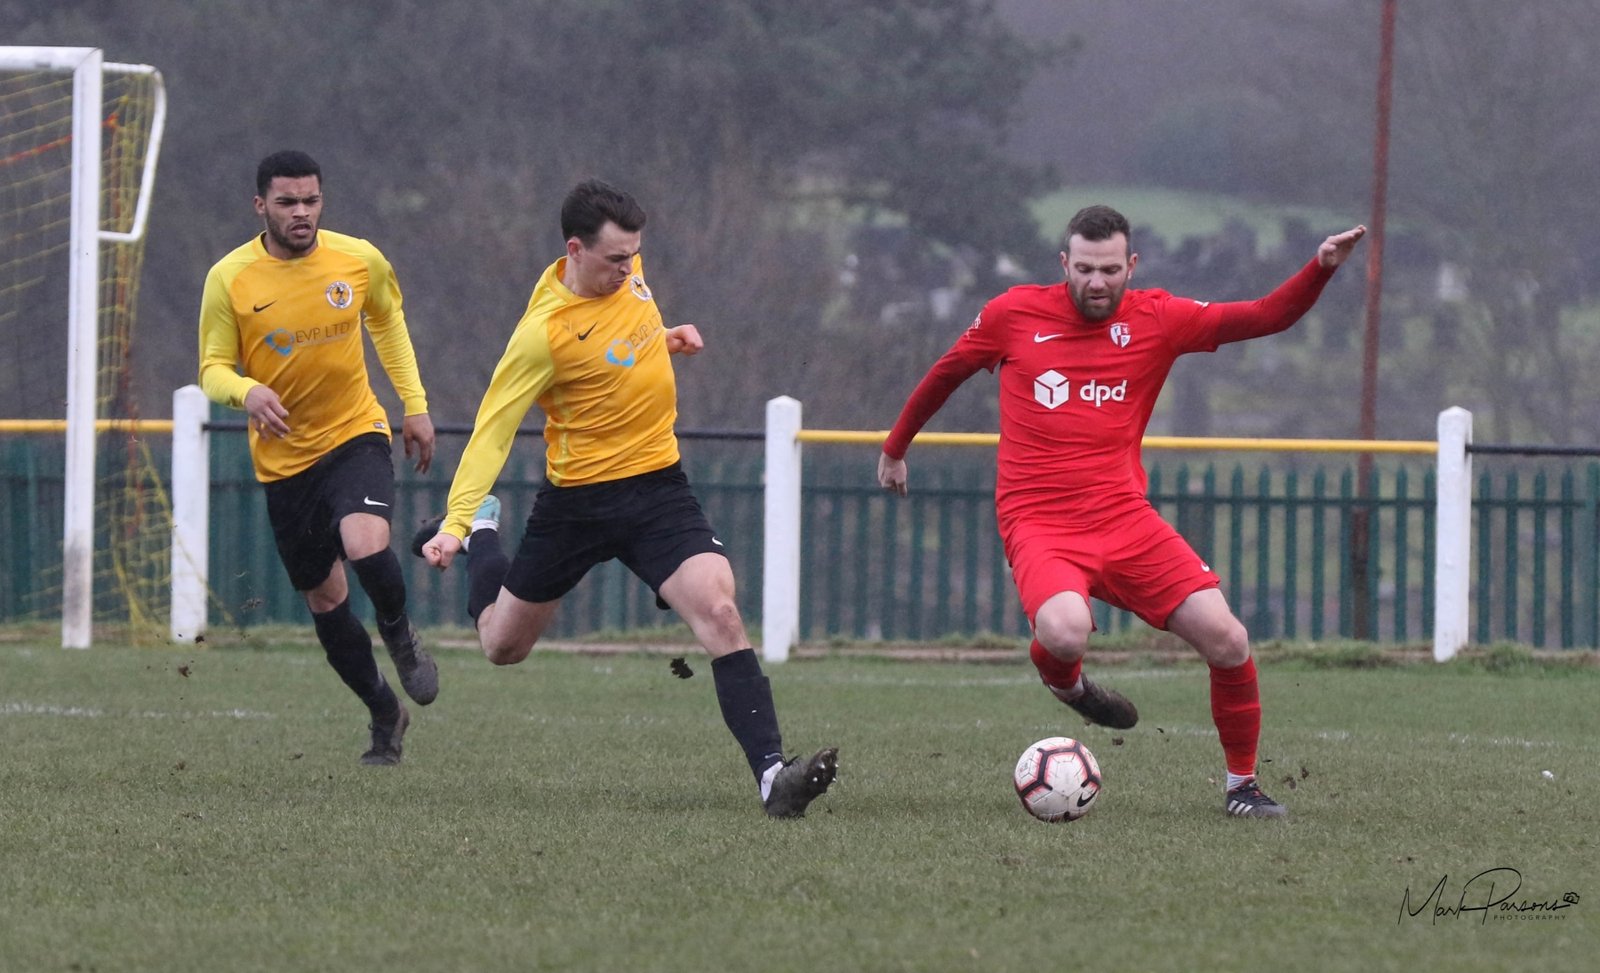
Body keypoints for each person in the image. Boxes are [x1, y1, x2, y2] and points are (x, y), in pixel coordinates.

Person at [878, 205, 1366, 819]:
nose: (1097, 282)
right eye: (1084, 269)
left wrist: (1319, 268)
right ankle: (1068, 684)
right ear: (1065, 264)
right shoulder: (1013, 314)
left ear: (1130, 265)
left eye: (1110, 270)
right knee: (1063, 630)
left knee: (1229, 639)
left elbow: (1265, 315)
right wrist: (896, 448)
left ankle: (1242, 788)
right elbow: (946, 373)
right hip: (1040, 521)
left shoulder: (1158, 318)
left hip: (1124, 519)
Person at [415, 179, 839, 818]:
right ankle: (482, 533)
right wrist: (452, 522)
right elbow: (491, 431)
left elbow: (619, 342)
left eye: (634, 255)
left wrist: (666, 337)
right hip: (576, 506)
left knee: (720, 610)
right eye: (615, 259)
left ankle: (772, 776)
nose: (628, 268)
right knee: (502, 646)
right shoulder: (543, 334)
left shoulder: (628, 271)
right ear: (575, 250)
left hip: (656, 490)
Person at [197, 150, 439, 766]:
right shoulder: (229, 278)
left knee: (366, 546)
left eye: (311, 201)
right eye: (287, 202)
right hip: (285, 464)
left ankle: (399, 630)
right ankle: (384, 712)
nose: (301, 213)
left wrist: (414, 404)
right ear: (261, 206)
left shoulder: (358, 259)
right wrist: (245, 390)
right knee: (327, 603)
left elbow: (388, 321)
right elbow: (212, 369)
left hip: (354, 433)